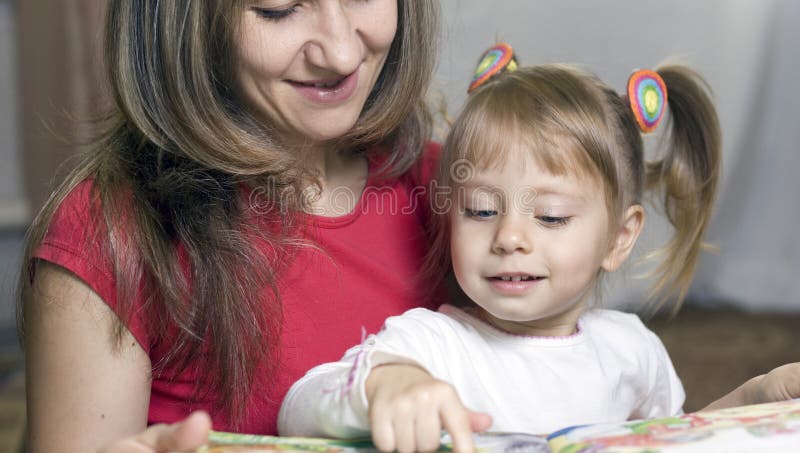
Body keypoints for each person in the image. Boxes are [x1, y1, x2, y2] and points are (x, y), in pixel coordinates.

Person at [18, 0, 451, 452]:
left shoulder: (460, 196)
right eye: (278, 9)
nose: (340, 54)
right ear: (186, 18)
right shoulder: (113, 233)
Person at [278, 44, 800, 453]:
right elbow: (298, 408)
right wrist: (389, 385)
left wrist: (753, 398)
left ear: (619, 238)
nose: (509, 238)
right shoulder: (434, 344)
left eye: (550, 217)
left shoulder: (632, 351)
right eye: (481, 210)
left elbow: (675, 440)